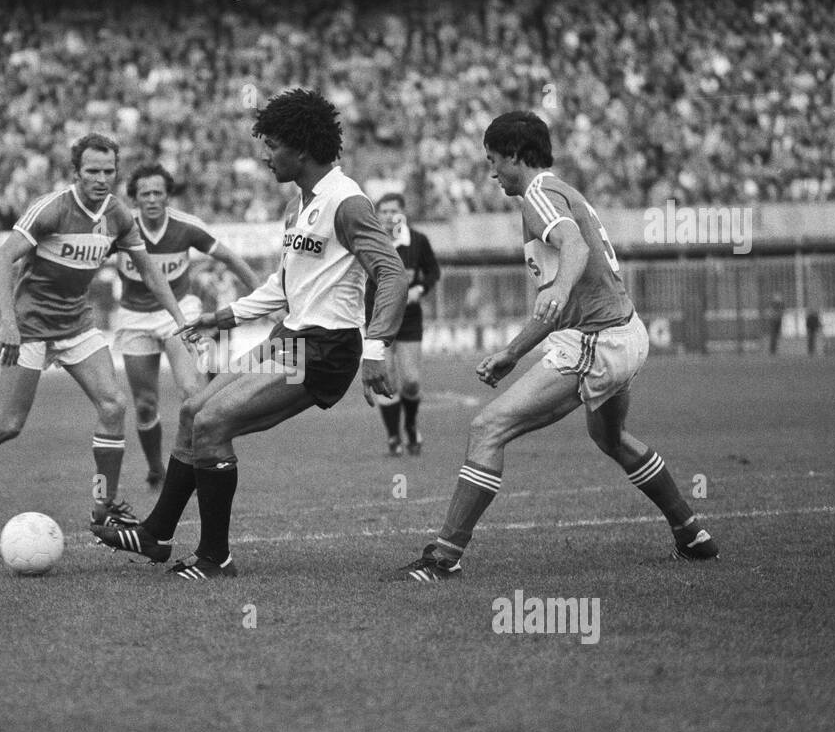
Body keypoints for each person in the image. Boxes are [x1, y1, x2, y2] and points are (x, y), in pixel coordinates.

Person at [387, 111, 719, 582]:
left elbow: (575, 250)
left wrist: (559, 288)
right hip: (622, 333)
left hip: (597, 341)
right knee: (609, 437)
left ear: (517, 156)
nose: (492, 172)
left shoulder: (537, 194)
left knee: (487, 427)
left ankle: (444, 557)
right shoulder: (563, 191)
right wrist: (514, 351)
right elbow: (563, 295)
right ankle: (692, 535)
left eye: (494, 161)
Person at [92, 88, 407, 579]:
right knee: (193, 410)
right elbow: (281, 287)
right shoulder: (297, 205)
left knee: (214, 422)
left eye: (272, 145)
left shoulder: (347, 203)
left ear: (300, 149)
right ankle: (156, 534)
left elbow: (392, 273)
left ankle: (216, 557)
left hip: (324, 347)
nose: (265, 155)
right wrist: (219, 318)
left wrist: (376, 350)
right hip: (291, 336)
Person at [0, 133, 188, 528]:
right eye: (92, 171)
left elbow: (149, 271)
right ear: (75, 173)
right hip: (29, 328)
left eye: (108, 171)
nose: (101, 179)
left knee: (114, 405)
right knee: (8, 424)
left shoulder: (117, 216)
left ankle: (104, 506)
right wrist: (8, 324)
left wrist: (181, 321)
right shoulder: (50, 209)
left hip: (77, 325)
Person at [118, 164, 261, 489]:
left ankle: (198, 466)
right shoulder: (120, 227)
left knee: (191, 391)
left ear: (168, 196)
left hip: (179, 312)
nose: (152, 199)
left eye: (158, 193)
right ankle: (156, 469)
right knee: (144, 404)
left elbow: (231, 258)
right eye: (145, 194)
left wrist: (267, 294)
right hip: (134, 317)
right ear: (135, 199)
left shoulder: (186, 226)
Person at [367, 192, 440, 456]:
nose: (388, 216)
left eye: (393, 211)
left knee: (410, 381)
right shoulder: (370, 242)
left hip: (409, 318)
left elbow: (433, 271)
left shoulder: (418, 241)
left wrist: (420, 288)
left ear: (403, 213)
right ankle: (393, 437)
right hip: (377, 319)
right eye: (383, 211)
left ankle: (410, 425)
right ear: (377, 215)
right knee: (384, 379)